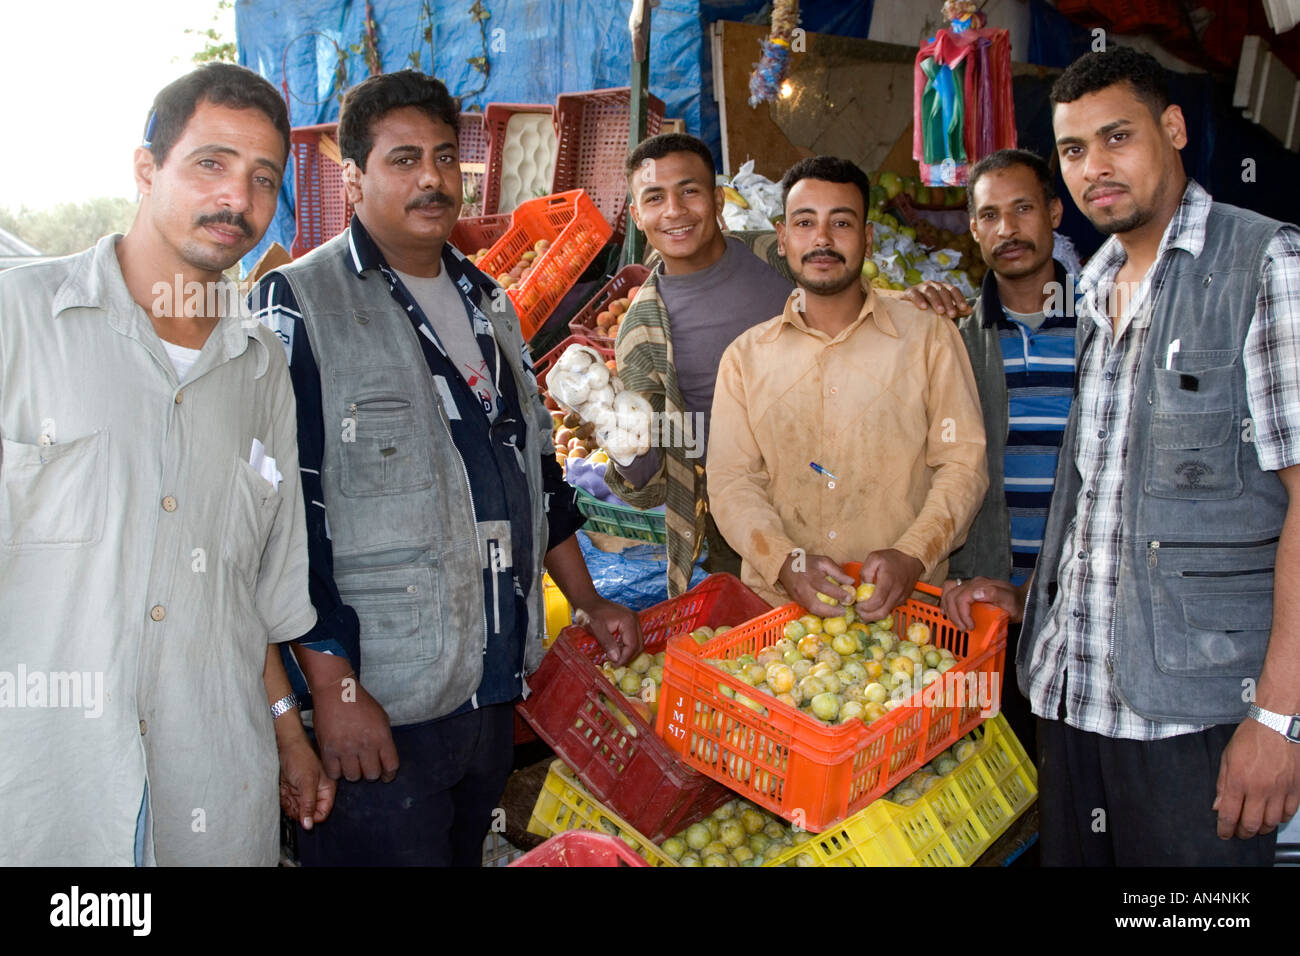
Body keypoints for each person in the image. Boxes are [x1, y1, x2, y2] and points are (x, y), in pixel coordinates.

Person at [252, 70, 642, 867]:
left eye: (442, 157)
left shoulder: (485, 299)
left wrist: (590, 602)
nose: (431, 179)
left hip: (489, 684)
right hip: (381, 706)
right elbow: (286, 520)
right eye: (402, 160)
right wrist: (334, 692)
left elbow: (537, 477)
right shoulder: (299, 302)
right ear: (353, 176)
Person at [0, 63, 332, 866]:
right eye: (210, 163)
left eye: (262, 178)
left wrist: (289, 729)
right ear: (146, 170)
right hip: (51, 797)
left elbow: (244, 593)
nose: (238, 200)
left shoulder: (261, 371)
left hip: (212, 786)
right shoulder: (19, 324)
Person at [1021, 46, 1300, 865]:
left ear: (1173, 129)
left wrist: (1279, 719)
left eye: (1118, 138)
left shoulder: (1263, 264)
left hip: (1197, 718)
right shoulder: (1097, 283)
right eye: (1073, 150)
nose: (1094, 168)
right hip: (1075, 703)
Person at [707, 156, 988, 621]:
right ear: (782, 238)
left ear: (868, 238)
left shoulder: (929, 338)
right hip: (781, 623)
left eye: (841, 222)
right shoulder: (744, 358)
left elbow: (963, 462)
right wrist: (785, 563)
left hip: (907, 622)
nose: (822, 239)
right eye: (804, 222)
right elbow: (732, 481)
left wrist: (913, 555)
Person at [917, 148, 1081, 755]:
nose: (1007, 230)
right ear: (973, 229)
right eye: (989, 215)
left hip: (1084, 604)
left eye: (1023, 209)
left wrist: (1046, 589)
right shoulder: (952, 342)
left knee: (1070, 778)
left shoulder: (1109, 328)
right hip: (980, 608)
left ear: (1055, 213)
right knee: (994, 767)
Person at [605, 133, 796, 595]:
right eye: (654, 198)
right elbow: (656, 476)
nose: (673, 210)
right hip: (747, 529)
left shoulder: (781, 256)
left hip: (848, 486)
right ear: (636, 216)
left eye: (689, 191)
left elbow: (856, 302)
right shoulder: (641, 332)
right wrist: (627, 446)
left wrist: (911, 300)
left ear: (716, 199)